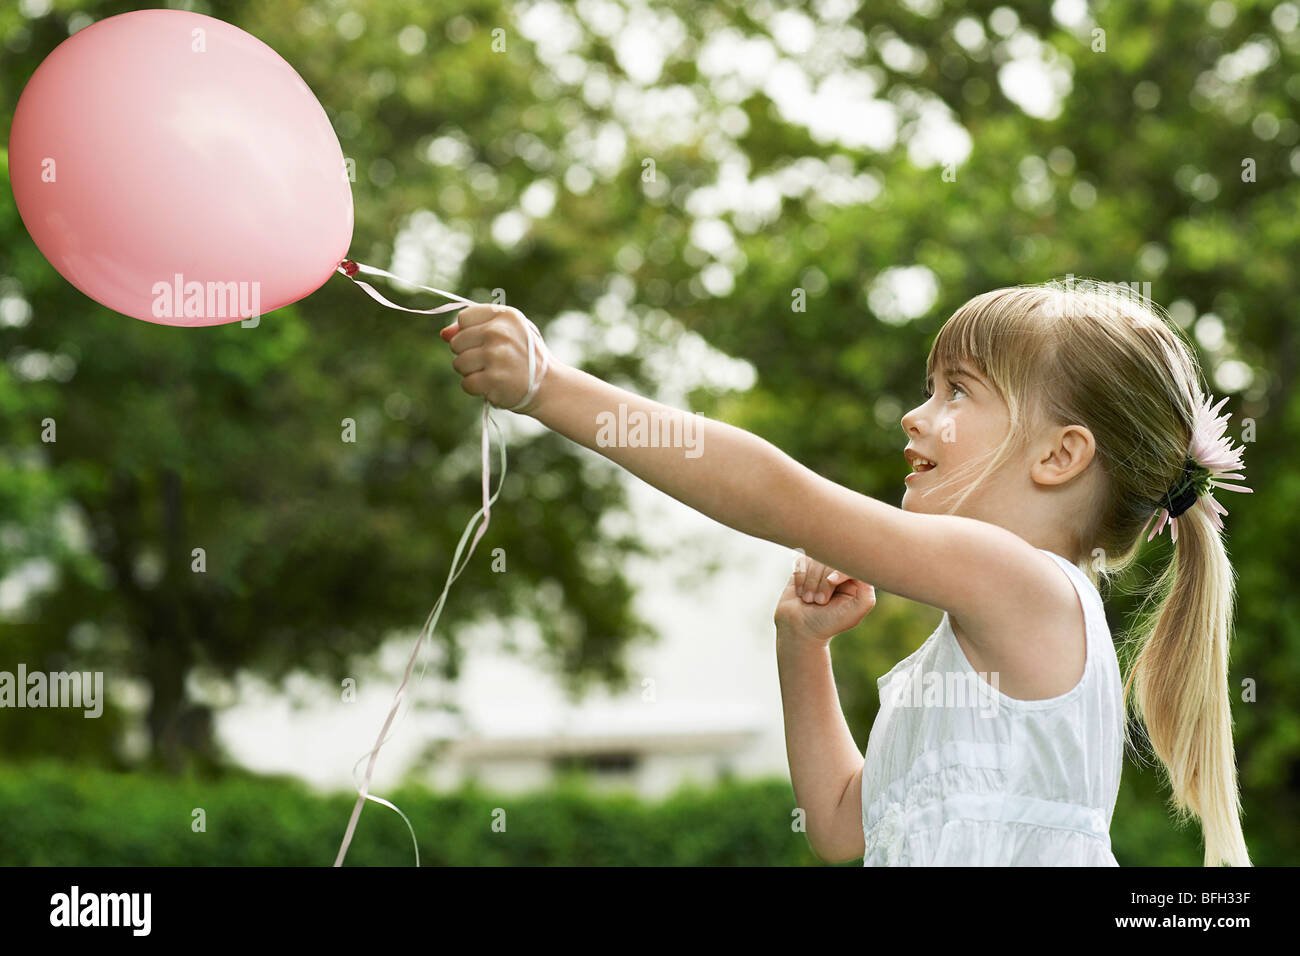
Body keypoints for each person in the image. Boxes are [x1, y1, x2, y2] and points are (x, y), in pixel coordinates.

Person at [439, 279, 1252, 866]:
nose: (916, 414)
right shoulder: (974, 643)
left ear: (1060, 455)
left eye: (957, 393)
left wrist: (550, 388)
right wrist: (803, 648)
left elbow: (776, 494)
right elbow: (840, 826)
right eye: (929, 388)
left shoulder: (1025, 583)